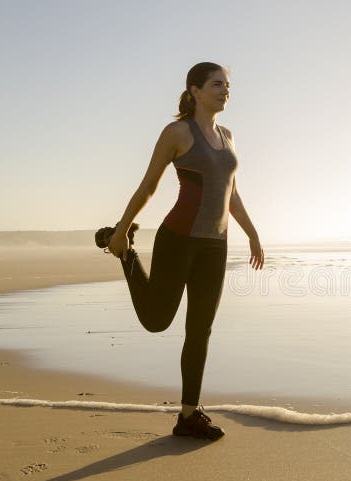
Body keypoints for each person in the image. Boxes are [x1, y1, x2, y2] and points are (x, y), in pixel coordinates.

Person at [95, 62, 265, 441]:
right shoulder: (177, 132)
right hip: (178, 239)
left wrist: (252, 234)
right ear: (195, 90)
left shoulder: (228, 135)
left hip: (214, 246)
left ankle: (189, 415)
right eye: (217, 84)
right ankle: (126, 253)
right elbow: (149, 186)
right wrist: (121, 231)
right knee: (157, 321)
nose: (225, 91)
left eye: (228, 86)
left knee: (200, 329)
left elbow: (231, 193)